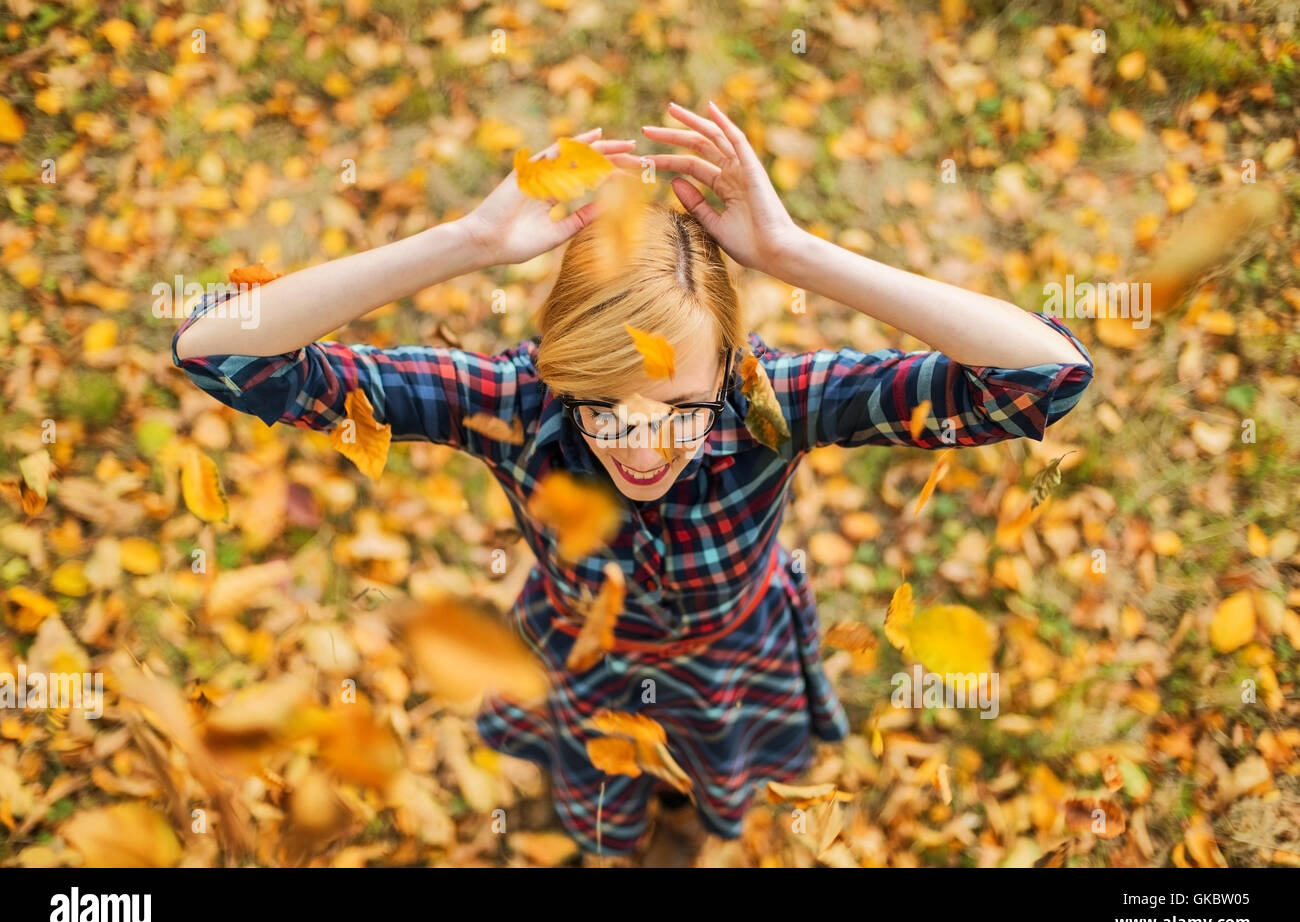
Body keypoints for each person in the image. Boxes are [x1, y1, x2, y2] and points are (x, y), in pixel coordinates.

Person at [171, 102, 1095, 866]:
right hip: (580, 663)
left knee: (704, 803)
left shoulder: (771, 403)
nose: (643, 445)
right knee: (596, 810)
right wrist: (468, 240)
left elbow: (1043, 380)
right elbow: (220, 353)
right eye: (602, 404)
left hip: (737, 659)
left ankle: (686, 831)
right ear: (561, 369)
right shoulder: (513, 404)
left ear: (730, 366)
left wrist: (797, 254)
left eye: (681, 406)